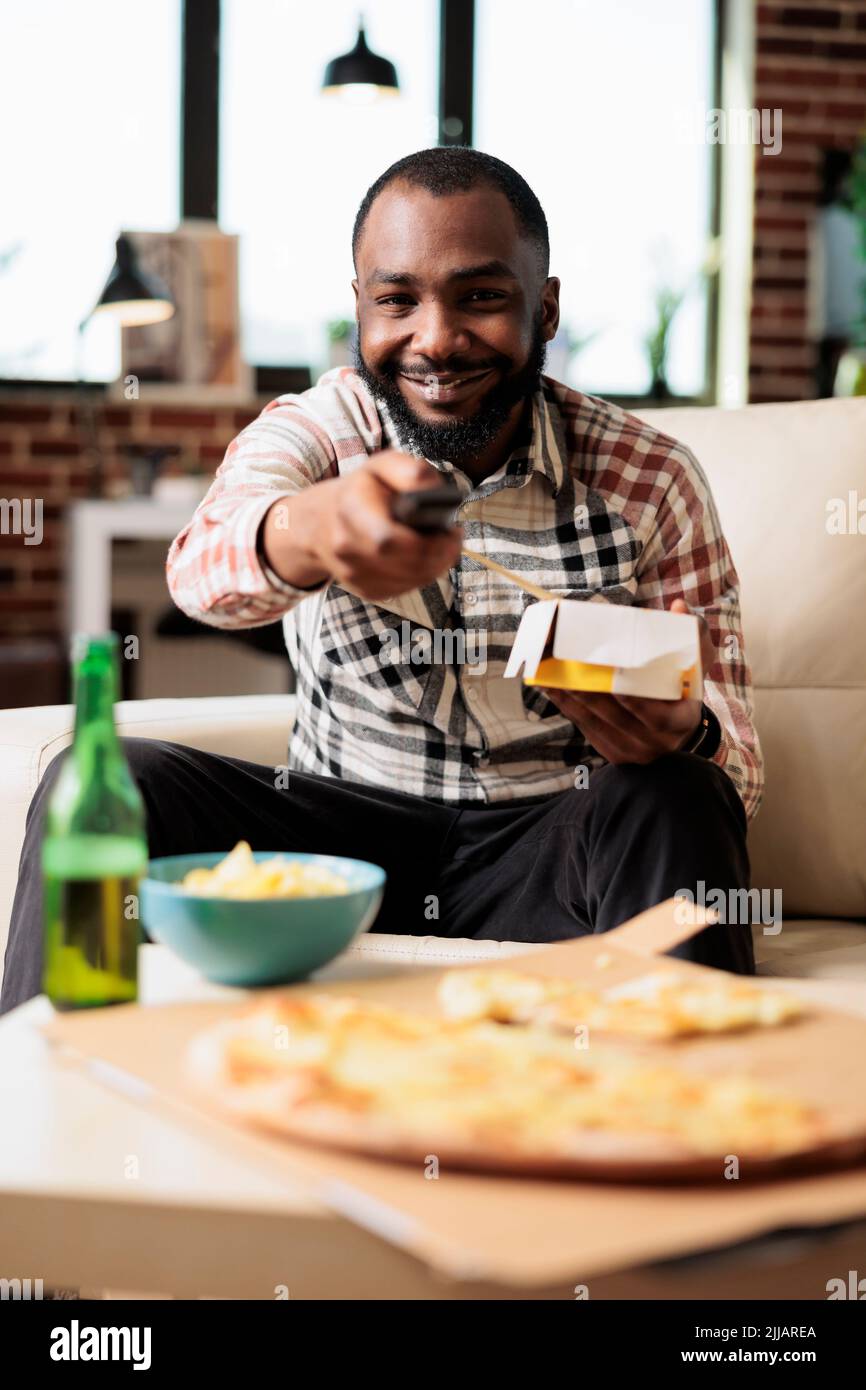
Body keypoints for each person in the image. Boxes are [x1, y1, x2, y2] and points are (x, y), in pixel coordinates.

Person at [1, 147, 763, 1012]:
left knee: (682, 795)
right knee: (102, 778)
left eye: (480, 297)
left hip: (548, 854)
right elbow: (200, 568)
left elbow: (739, 764)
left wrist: (685, 736)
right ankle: (47, 1092)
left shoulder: (651, 479)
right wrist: (316, 529)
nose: (434, 340)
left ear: (545, 310)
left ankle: (687, 1127)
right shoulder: (319, 431)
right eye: (397, 300)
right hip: (333, 844)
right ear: (359, 309)